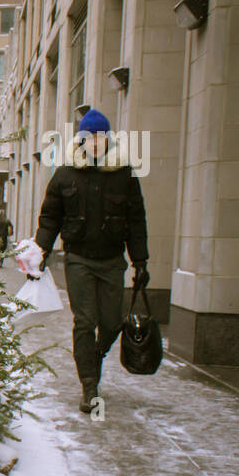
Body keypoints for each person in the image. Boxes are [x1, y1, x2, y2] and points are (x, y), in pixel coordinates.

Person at [16, 109, 149, 413]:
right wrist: (41, 250)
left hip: (113, 261)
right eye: (89, 138)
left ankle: (95, 354)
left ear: (108, 140)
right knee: (85, 321)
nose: (95, 143)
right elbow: (50, 217)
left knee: (112, 322)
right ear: (81, 140)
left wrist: (140, 261)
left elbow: (136, 219)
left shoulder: (124, 174)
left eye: (101, 137)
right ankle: (89, 384)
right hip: (78, 260)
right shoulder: (65, 174)